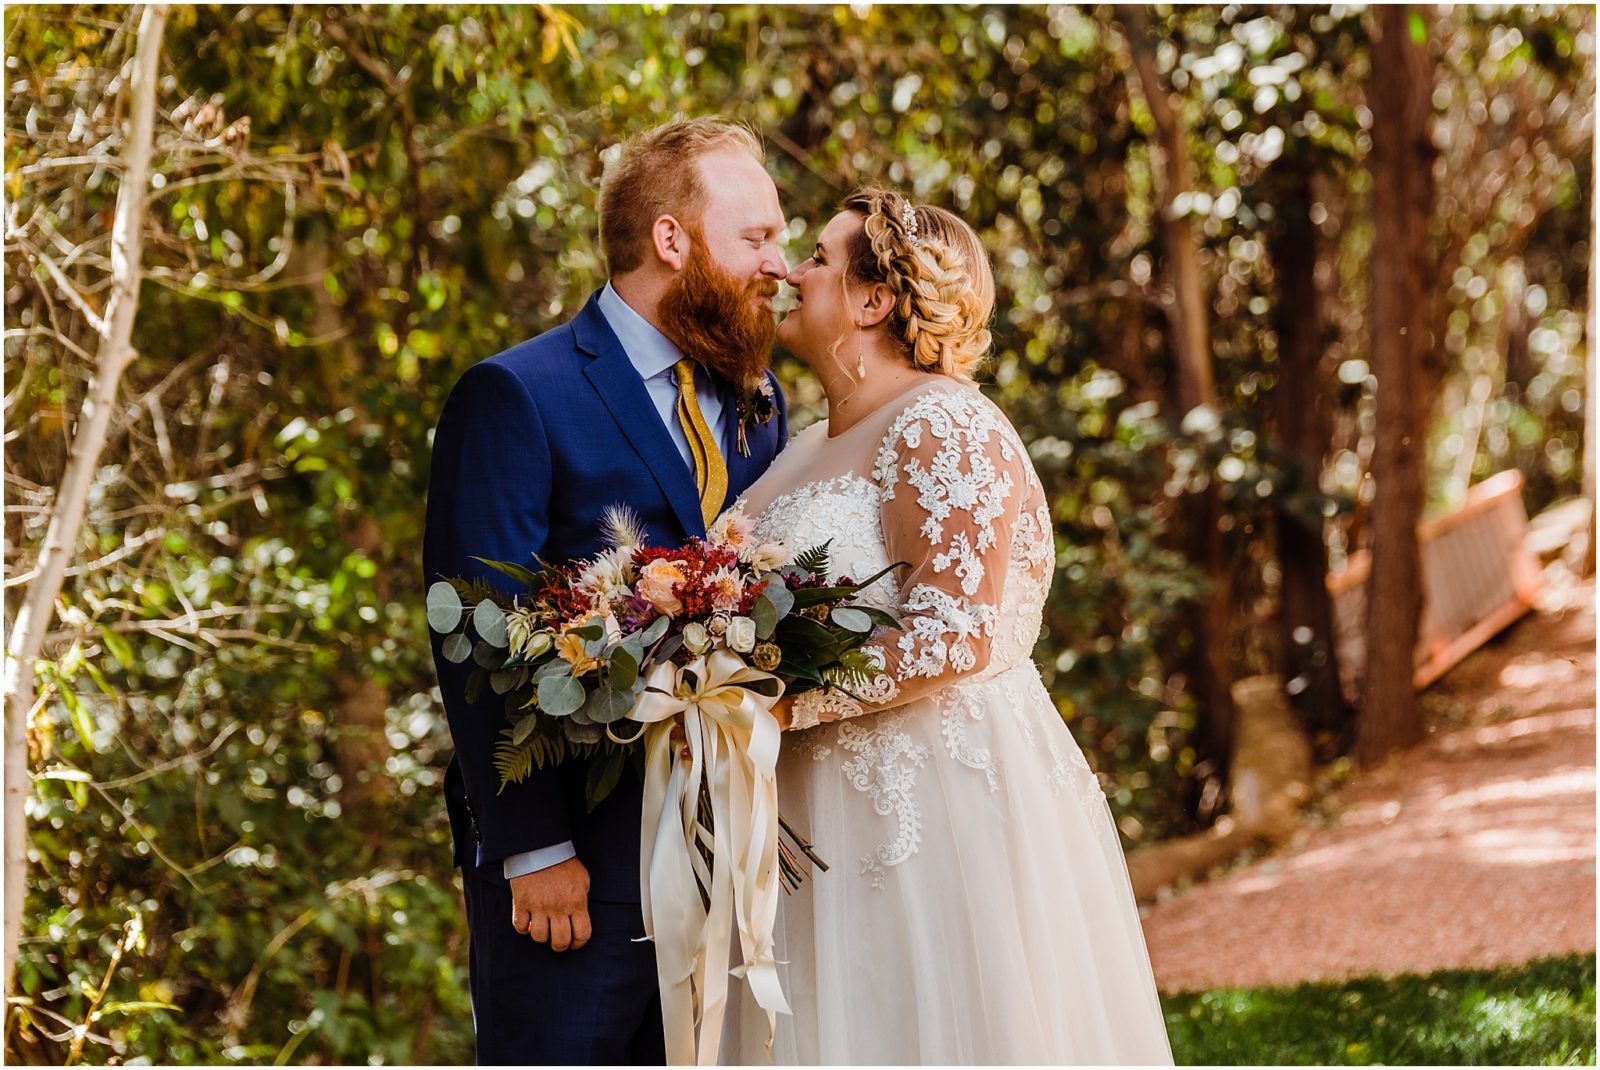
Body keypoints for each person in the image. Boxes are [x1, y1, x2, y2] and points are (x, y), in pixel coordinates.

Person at [724, 188, 1173, 1064]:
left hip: (933, 805)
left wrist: (772, 702)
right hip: (808, 815)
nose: (790, 271)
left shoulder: (942, 421)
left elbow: (954, 633)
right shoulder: (800, 446)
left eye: (817, 258)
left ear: (873, 300)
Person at [423, 117, 789, 1065]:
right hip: (578, 867)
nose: (778, 264)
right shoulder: (517, 395)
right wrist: (534, 850)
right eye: (757, 237)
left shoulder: (760, 398)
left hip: (737, 864)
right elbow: (476, 635)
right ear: (674, 240)